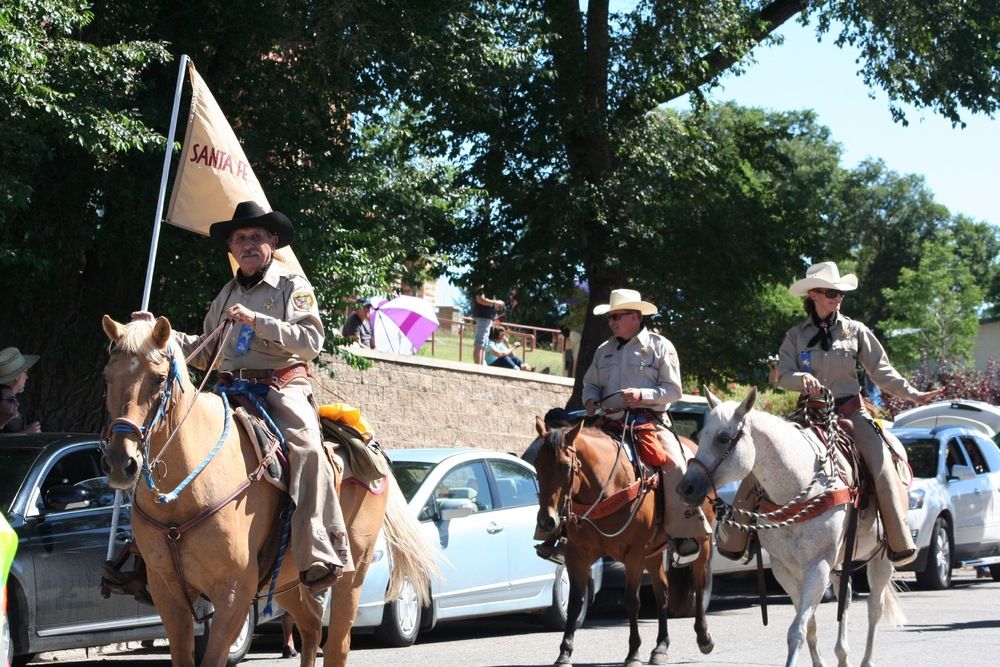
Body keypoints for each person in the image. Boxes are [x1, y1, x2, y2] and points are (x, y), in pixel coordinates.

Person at [168, 200, 350, 593]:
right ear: (231, 249)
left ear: (272, 242)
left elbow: (311, 342)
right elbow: (205, 351)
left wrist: (258, 321)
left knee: (308, 450)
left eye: (255, 237)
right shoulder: (226, 293)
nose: (247, 244)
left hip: (281, 387)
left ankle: (318, 549)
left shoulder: (292, 286)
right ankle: (151, 550)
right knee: (173, 437)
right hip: (230, 387)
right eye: (239, 239)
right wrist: (161, 337)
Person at [717, 261, 942, 566]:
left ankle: (899, 540)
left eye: (839, 292)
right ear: (813, 294)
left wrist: (914, 394)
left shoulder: (856, 331)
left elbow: (882, 371)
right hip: (808, 415)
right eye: (830, 292)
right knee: (765, 459)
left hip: (850, 412)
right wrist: (800, 380)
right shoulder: (795, 336)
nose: (837, 297)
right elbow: (782, 374)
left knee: (881, 465)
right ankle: (734, 538)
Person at [574, 289, 710, 565]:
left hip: (650, 422)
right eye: (610, 317)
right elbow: (590, 383)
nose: (612, 321)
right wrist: (589, 399)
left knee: (676, 466)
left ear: (635, 317)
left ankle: (683, 533)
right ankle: (565, 534)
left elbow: (674, 390)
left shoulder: (661, 346)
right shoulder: (604, 350)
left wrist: (642, 396)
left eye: (617, 316)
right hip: (609, 422)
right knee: (572, 462)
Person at [0, 347, 41, 433]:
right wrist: (26, 434)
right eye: (25, 372)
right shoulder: (4, 406)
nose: (27, 377)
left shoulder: (9, 403)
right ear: (17, 377)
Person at [471, 286, 504, 365]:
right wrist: (496, 302)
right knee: (480, 342)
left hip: (487, 317)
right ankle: (478, 366)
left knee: (484, 343)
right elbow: (480, 299)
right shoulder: (481, 284)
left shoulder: (487, 284)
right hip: (483, 316)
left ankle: (481, 365)